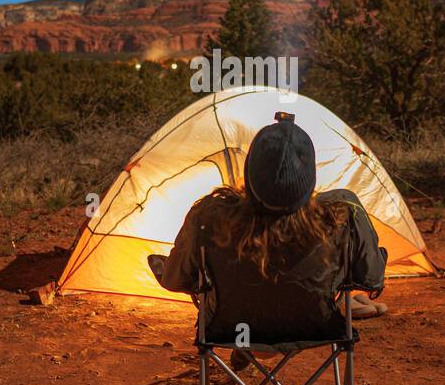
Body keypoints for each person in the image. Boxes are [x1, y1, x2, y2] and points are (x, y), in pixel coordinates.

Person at [155, 112, 388, 365]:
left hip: (231, 327)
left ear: (251, 169)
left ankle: (249, 342)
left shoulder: (210, 216)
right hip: (314, 326)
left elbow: (175, 279)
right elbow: (371, 278)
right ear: (309, 175)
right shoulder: (342, 213)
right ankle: (260, 337)